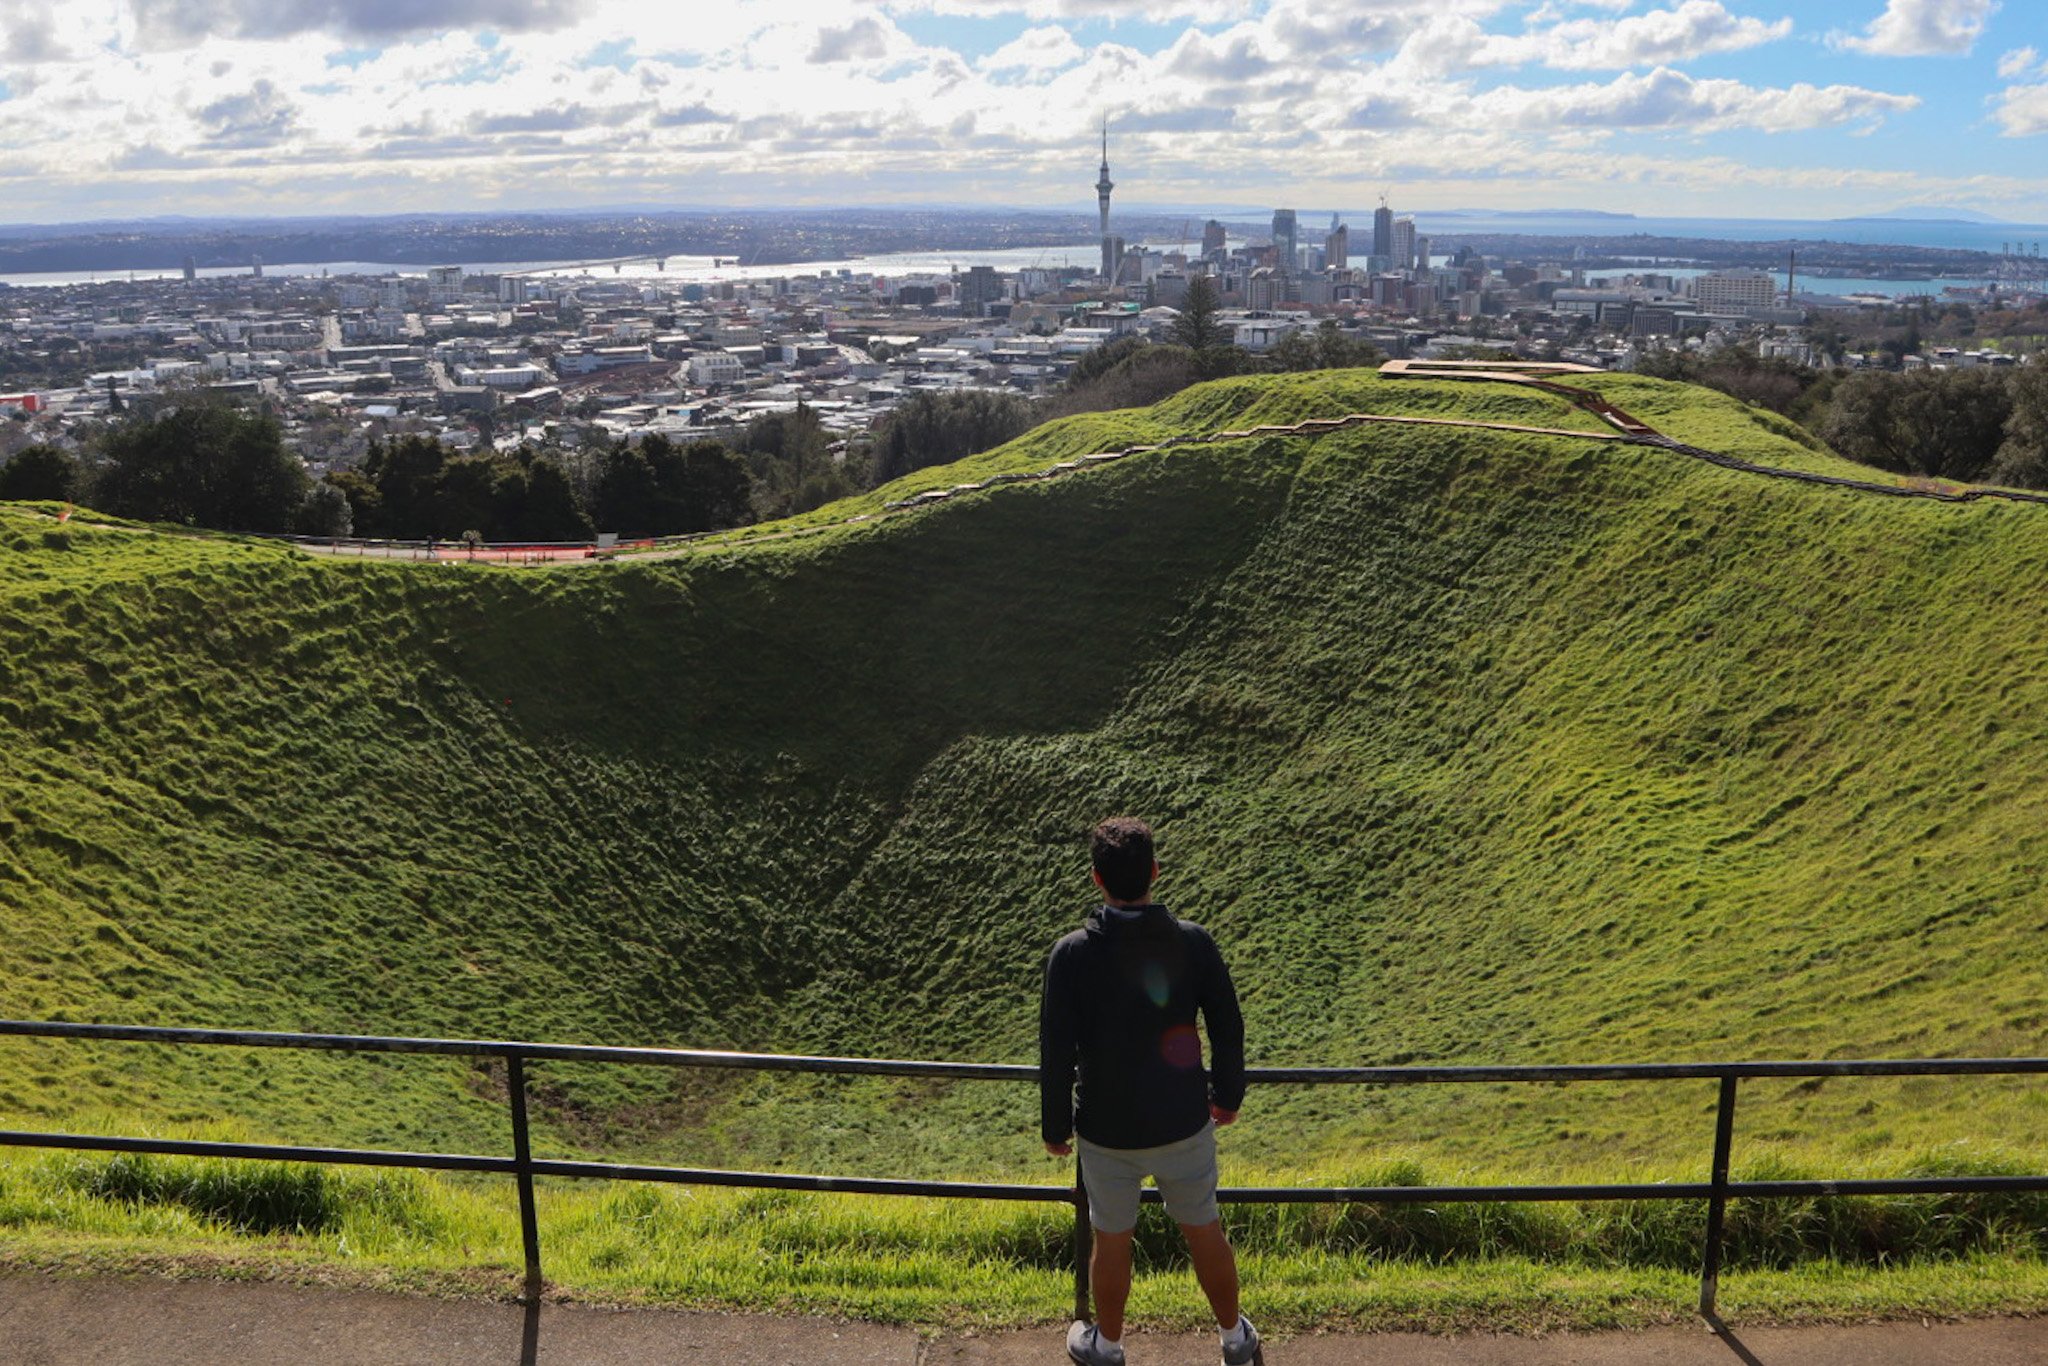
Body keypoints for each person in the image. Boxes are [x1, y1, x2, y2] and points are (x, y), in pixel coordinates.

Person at [1040, 817, 1259, 1366]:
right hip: (1182, 1118)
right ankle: (1234, 1339)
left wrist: (1056, 1126)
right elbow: (1228, 1025)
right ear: (1155, 873)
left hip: (1105, 1127)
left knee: (1110, 1239)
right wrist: (1228, 1097)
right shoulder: (1193, 942)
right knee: (1205, 1229)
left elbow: (1055, 1049)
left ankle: (1108, 1345)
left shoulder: (1070, 955)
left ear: (1096, 879)